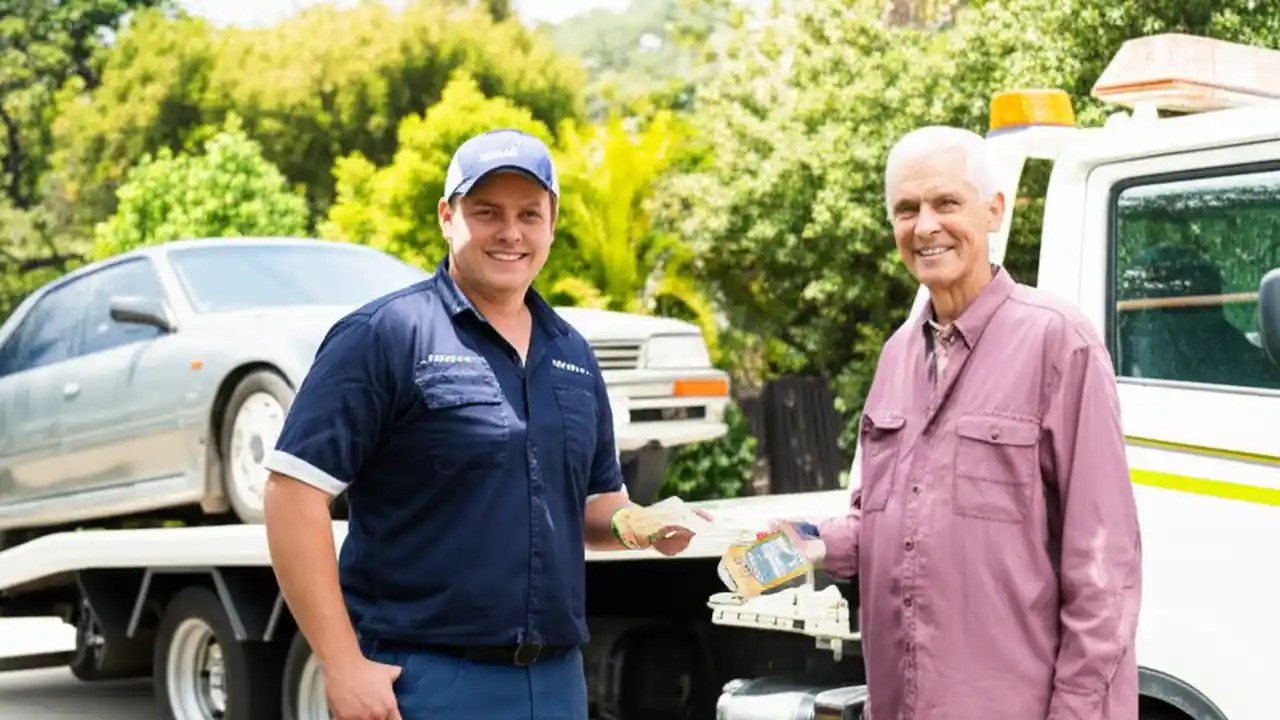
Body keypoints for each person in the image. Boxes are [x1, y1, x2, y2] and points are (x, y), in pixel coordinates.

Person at [261, 128, 702, 720]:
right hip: (425, 681)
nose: (511, 232)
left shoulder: (571, 353)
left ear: (552, 222)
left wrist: (642, 524)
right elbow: (291, 493)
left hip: (557, 683)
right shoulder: (384, 336)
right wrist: (341, 664)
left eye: (529, 213)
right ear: (448, 216)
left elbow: (593, 505)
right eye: (487, 212)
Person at [794, 126, 1142, 719]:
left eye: (945, 203)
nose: (925, 226)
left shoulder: (1059, 342)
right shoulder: (896, 355)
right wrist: (794, 543)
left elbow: (1104, 567)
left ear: (993, 211)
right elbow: (879, 522)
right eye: (906, 210)